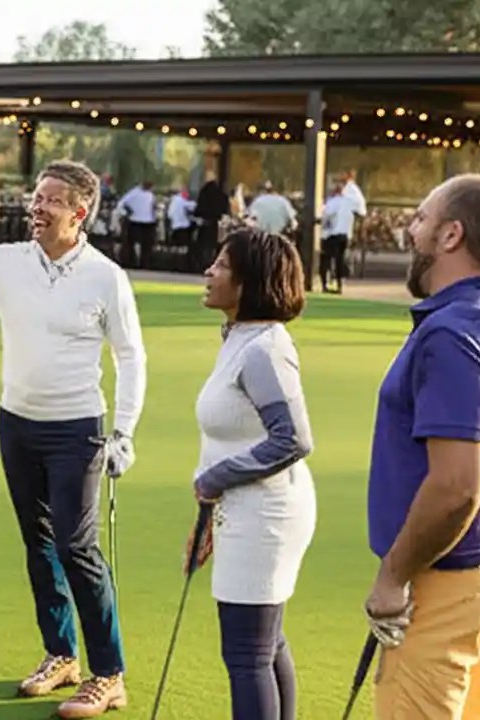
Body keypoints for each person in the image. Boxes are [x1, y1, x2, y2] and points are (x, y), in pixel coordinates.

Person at [0, 151, 147, 720]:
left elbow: (131, 356)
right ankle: (61, 655)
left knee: (76, 548)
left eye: (51, 201)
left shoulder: (106, 276)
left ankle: (108, 674)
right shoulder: (10, 261)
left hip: (78, 430)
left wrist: (123, 431)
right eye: (36, 198)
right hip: (17, 424)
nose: (36, 208)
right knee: (38, 544)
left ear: (79, 212)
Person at [364, 174, 480, 720]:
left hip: (449, 586)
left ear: (451, 235)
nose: (411, 230)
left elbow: (457, 486)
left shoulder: (454, 334)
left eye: (421, 218)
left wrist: (392, 576)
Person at [190, 228, 317, 720]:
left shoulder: (264, 349)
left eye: (221, 265)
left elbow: (293, 438)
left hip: (265, 515)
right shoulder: (240, 338)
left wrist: (216, 478)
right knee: (264, 643)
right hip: (244, 508)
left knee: (248, 654)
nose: (209, 272)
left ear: (249, 283)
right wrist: (208, 507)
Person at [320, 181, 356, 293]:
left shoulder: (332, 202)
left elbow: (326, 216)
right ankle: (340, 285)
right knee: (340, 260)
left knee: (326, 259)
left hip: (332, 234)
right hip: (345, 235)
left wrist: (323, 225)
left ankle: (325, 284)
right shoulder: (349, 203)